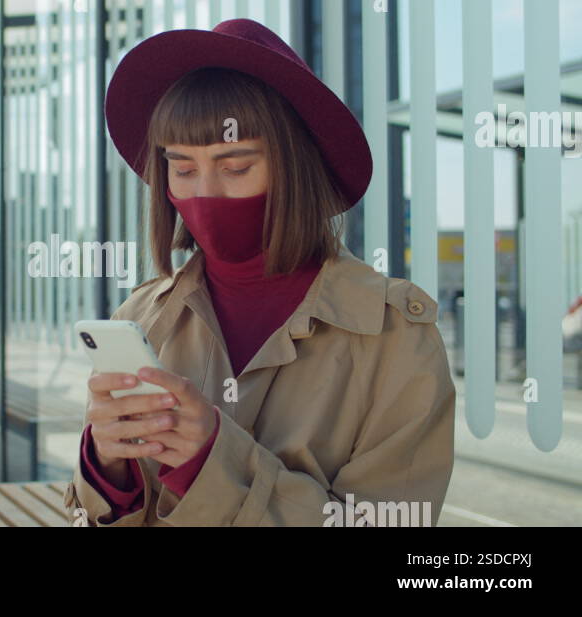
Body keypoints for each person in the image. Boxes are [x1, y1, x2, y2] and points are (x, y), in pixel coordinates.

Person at [62, 18, 455, 527]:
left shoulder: (394, 334)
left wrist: (210, 464)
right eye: (181, 169)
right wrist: (107, 468)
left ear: (295, 168)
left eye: (236, 167)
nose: (204, 192)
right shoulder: (140, 316)